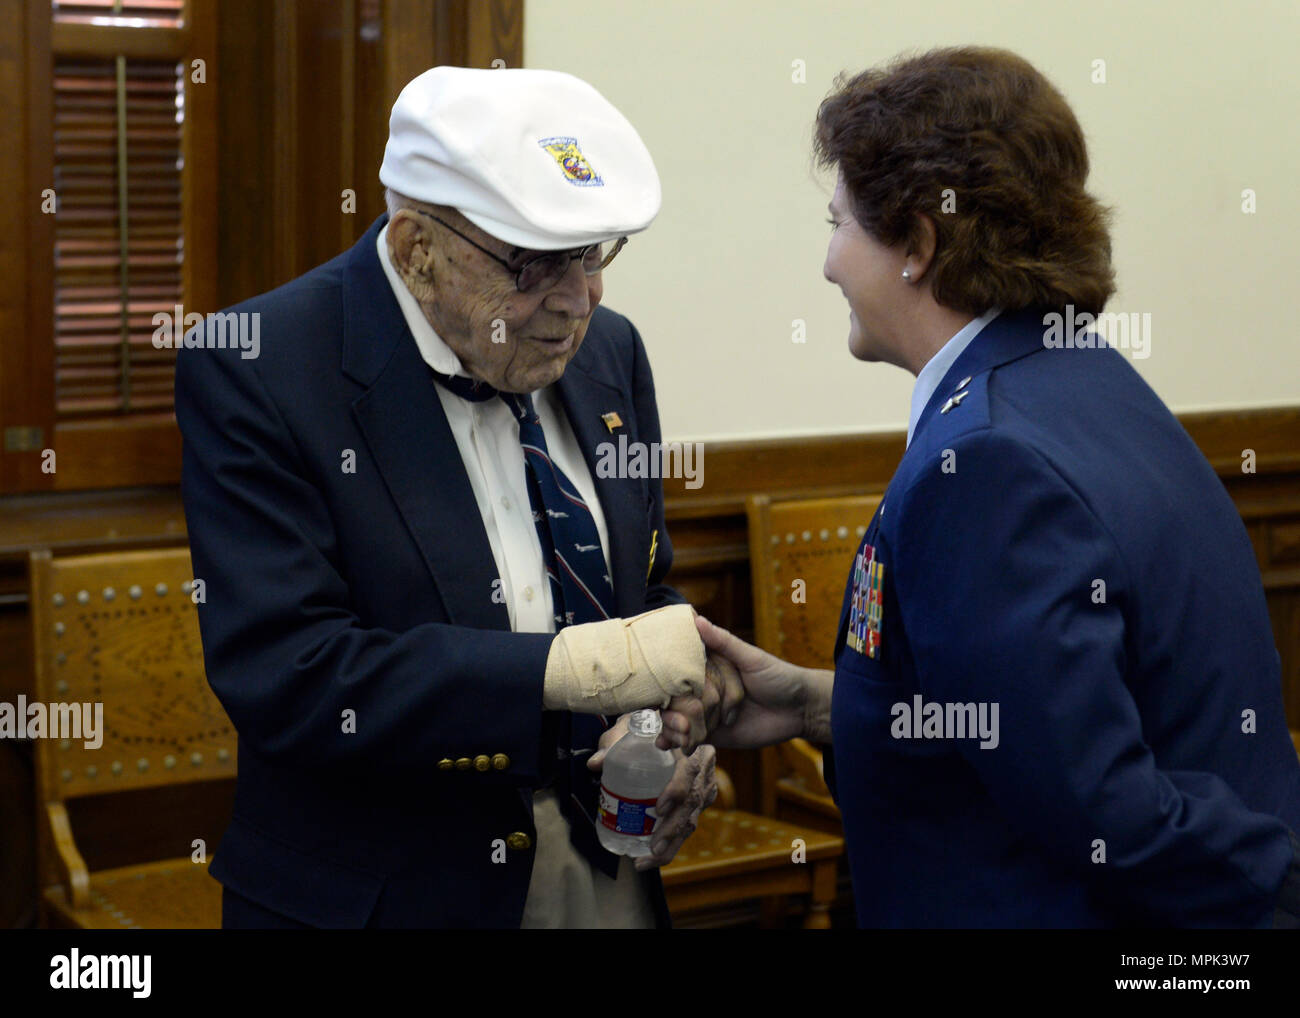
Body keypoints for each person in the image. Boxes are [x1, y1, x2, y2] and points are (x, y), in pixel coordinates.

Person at [701, 45, 1300, 927]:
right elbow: (1024, 723)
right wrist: (824, 705)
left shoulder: (984, 465)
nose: (828, 264)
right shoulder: (1084, 380)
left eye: (839, 225)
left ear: (918, 243)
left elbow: (1102, 810)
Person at [175, 66, 740, 929]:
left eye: (596, 256)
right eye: (535, 265)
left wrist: (669, 721)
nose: (580, 301)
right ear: (415, 249)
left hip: (602, 871)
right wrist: (572, 673)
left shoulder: (608, 352)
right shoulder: (262, 368)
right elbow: (292, 676)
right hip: (389, 895)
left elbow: (637, 592)